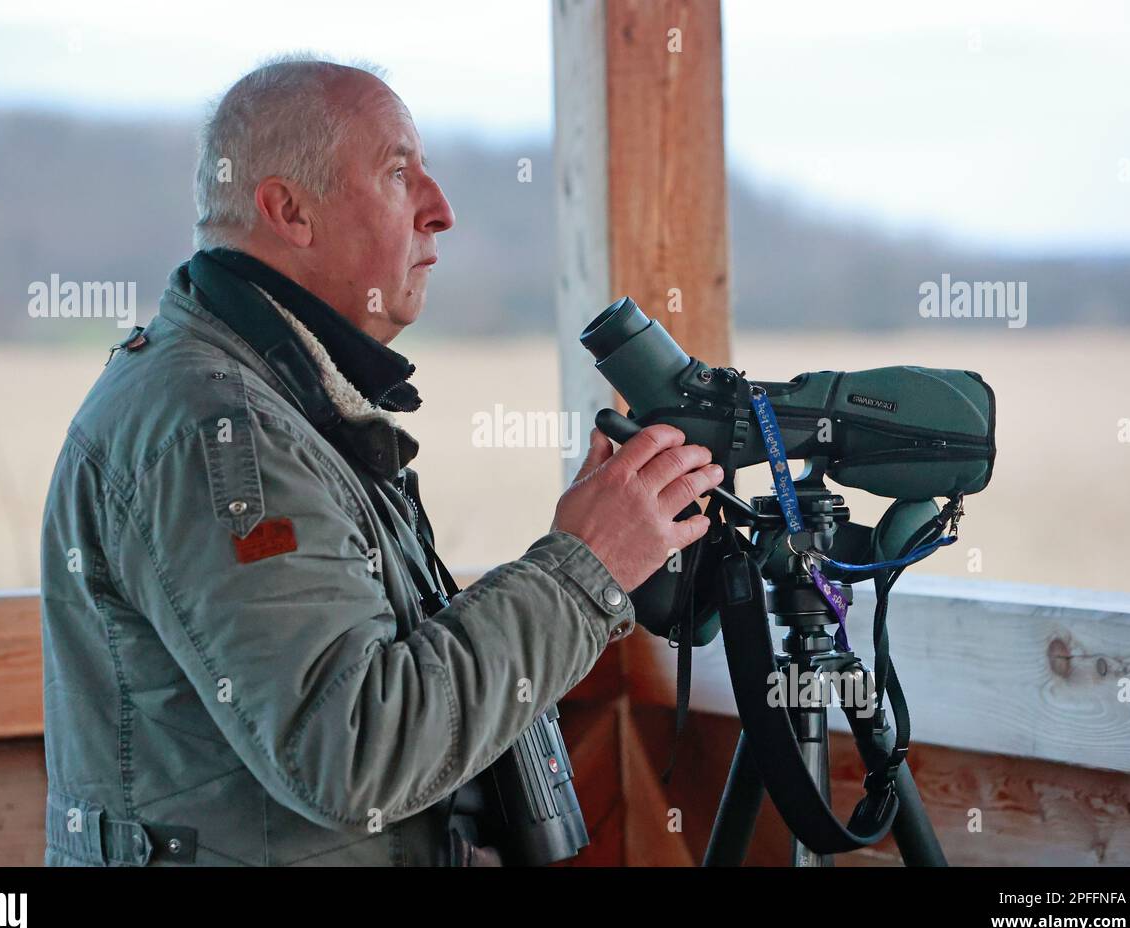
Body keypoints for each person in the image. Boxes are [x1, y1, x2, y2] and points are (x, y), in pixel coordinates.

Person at [39, 54, 719, 866]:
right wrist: (583, 569)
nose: (442, 211)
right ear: (289, 210)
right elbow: (352, 749)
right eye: (401, 174)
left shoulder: (283, 397)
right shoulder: (216, 429)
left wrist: (595, 550)